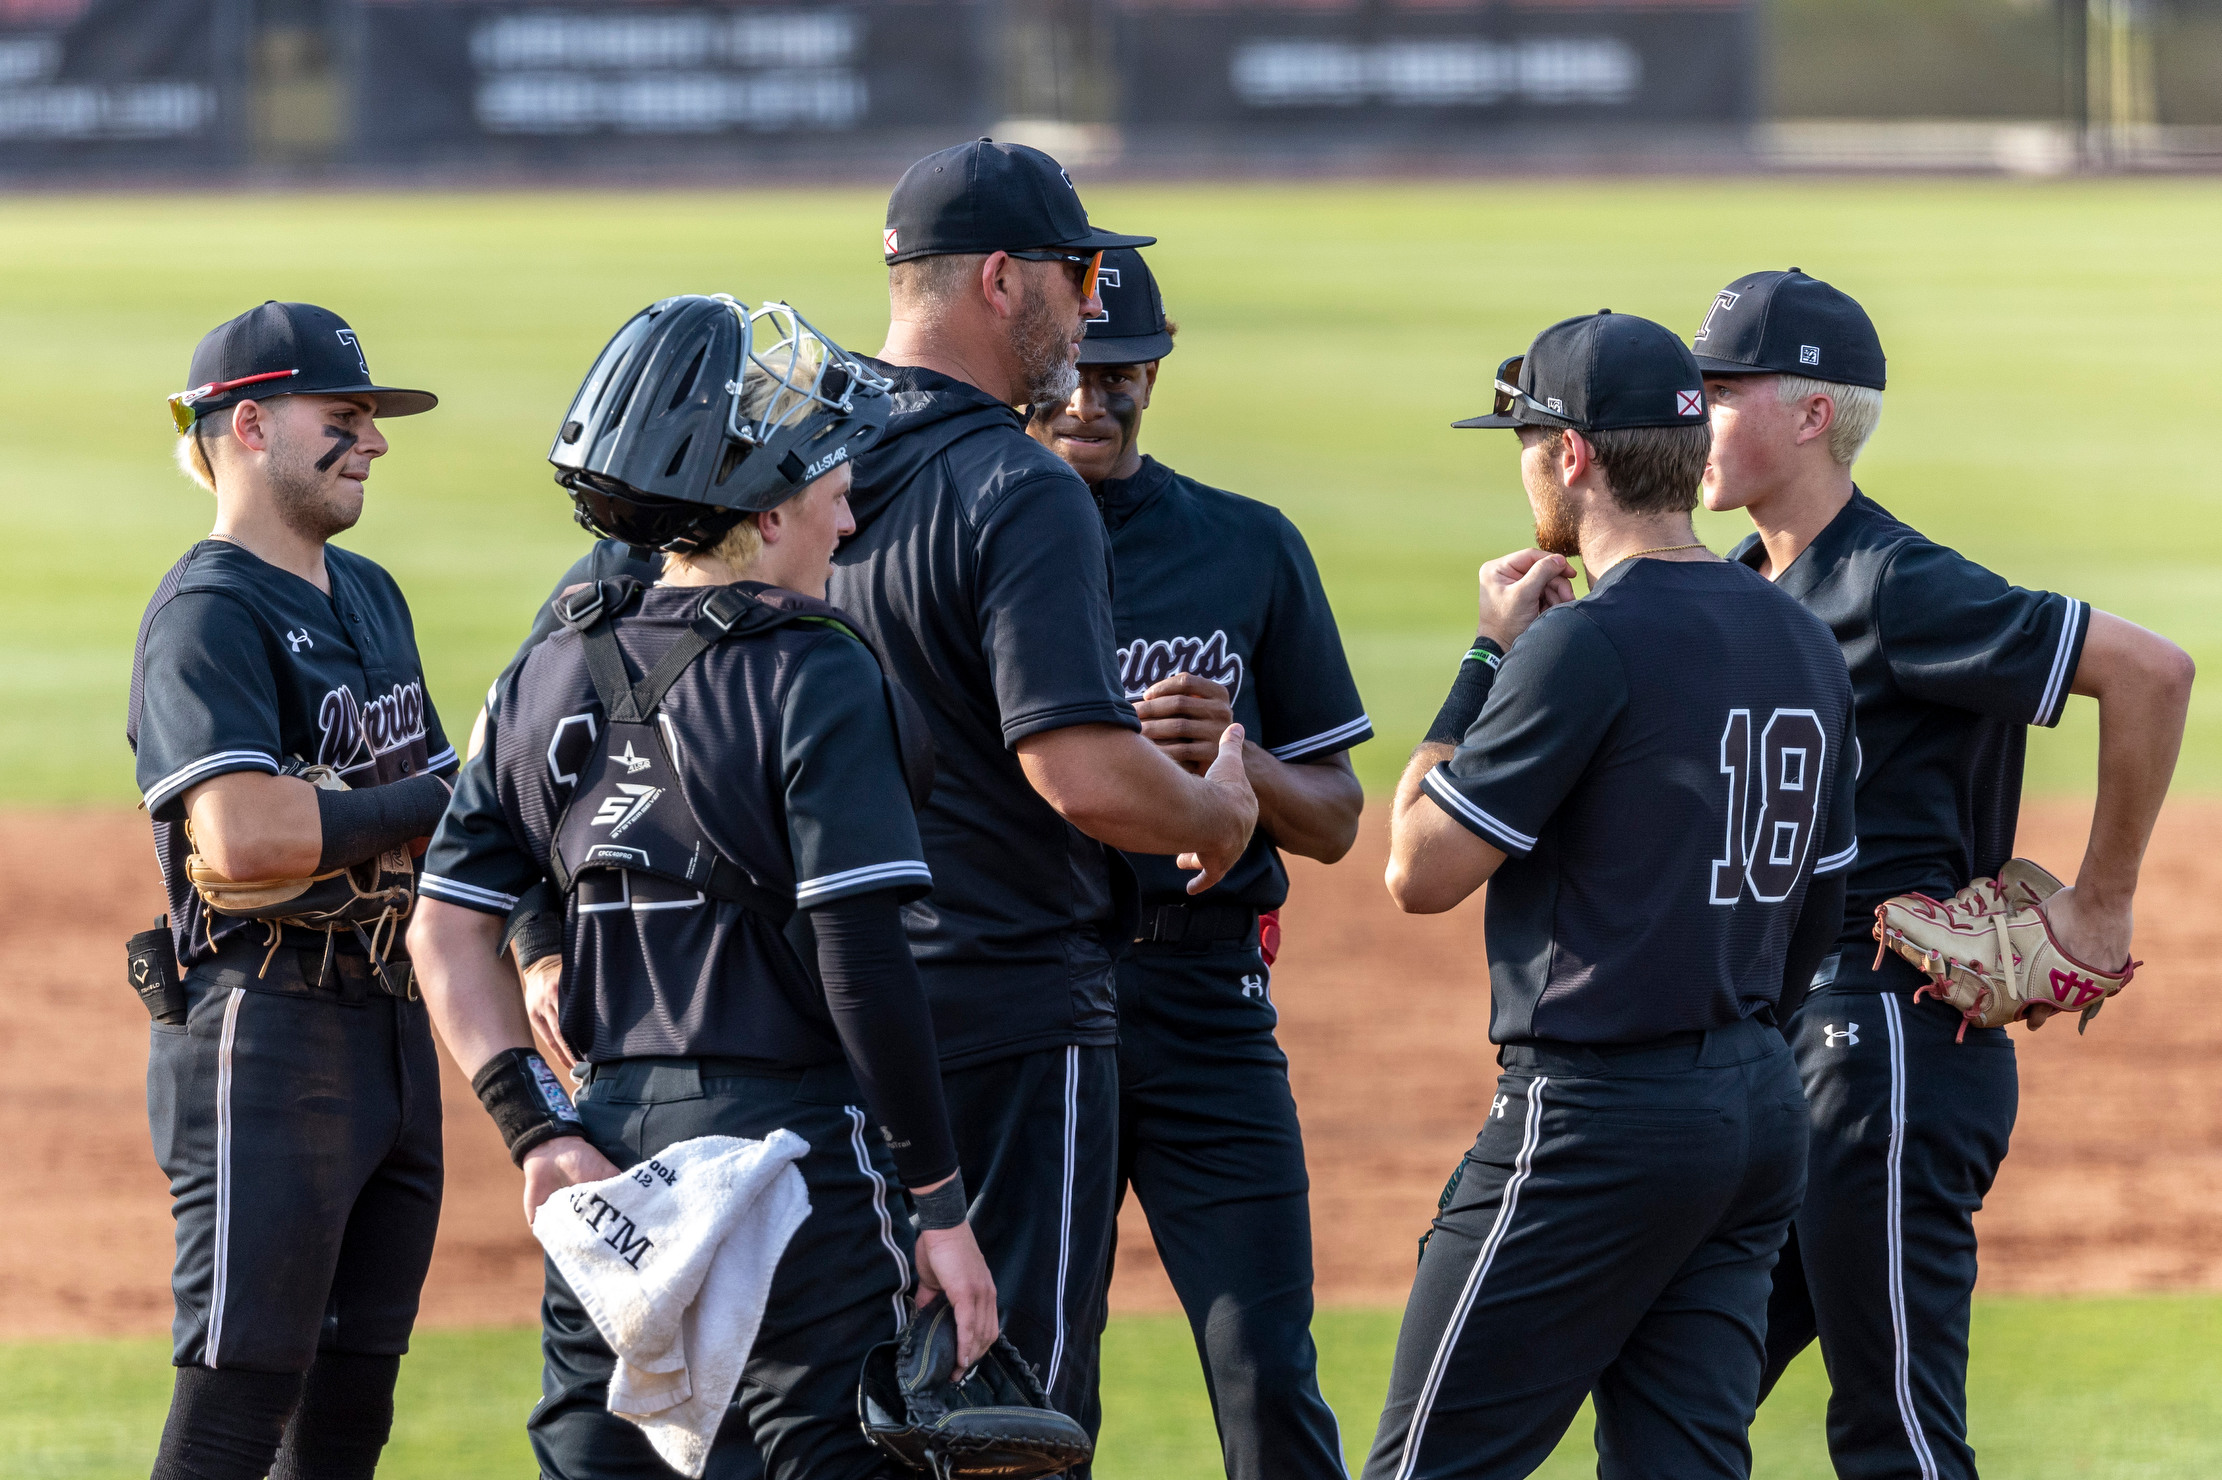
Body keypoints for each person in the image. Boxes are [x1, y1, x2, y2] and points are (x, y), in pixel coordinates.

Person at [407, 293, 999, 1480]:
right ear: (765, 507)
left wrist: (536, 1135)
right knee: (830, 1456)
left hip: (610, 1155)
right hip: (797, 1158)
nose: (847, 506)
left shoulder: (548, 663)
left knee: (601, 1460)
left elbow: (444, 925)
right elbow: (861, 962)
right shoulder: (818, 676)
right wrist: (938, 1201)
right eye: (830, 476)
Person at [1692, 268, 2194, 1480]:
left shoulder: (1890, 583)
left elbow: (2149, 671)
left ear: (1811, 414)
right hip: (1780, 1055)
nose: (1689, 407)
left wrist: (2098, 900)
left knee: (1895, 1433)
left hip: (1890, 1048)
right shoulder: (1744, 589)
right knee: (1678, 1399)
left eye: (1718, 388)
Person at [1364, 310, 1860, 1480]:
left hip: (1592, 1121)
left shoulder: (1582, 641)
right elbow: (1818, 910)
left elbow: (1417, 870)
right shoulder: (1800, 641)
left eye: (1523, 439)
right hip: (1751, 1108)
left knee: (1423, 1465)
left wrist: (1483, 658)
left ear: (1571, 455)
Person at [1026, 247, 1367, 1480]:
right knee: (1031, 1383)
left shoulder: (1244, 545)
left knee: (1266, 1367)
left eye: (1120, 372)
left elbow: (1333, 819)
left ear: (1156, 369)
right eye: (1070, 370)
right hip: (1029, 997)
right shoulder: (975, 540)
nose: (1090, 400)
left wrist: (1239, 759)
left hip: (1205, 1002)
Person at [127, 301, 453, 1480]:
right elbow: (250, 837)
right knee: (238, 1396)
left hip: (392, 1025)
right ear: (250, 425)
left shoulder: (369, 593)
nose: (371, 440)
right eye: (345, 416)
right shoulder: (207, 614)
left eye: (371, 417)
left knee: (352, 1400)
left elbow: (420, 807)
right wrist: (434, 800)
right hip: (265, 1034)